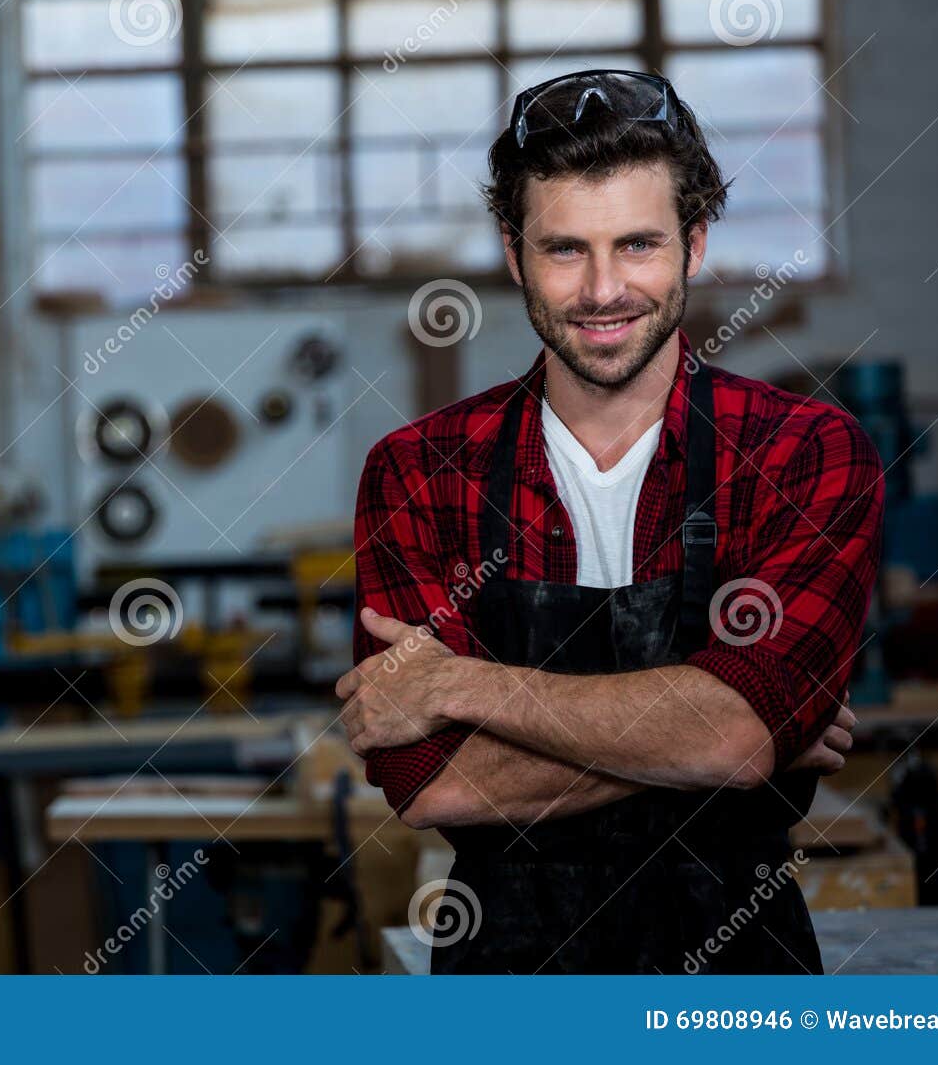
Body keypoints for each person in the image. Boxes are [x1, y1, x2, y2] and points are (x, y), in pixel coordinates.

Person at [337, 70, 884, 974]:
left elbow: (734, 735)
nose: (602, 289)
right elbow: (432, 783)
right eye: (564, 250)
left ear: (695, 244)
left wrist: (460, 687)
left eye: (637, 244)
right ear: (514, 255)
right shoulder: (419, 470)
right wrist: (730, 737)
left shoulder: (804, 453)